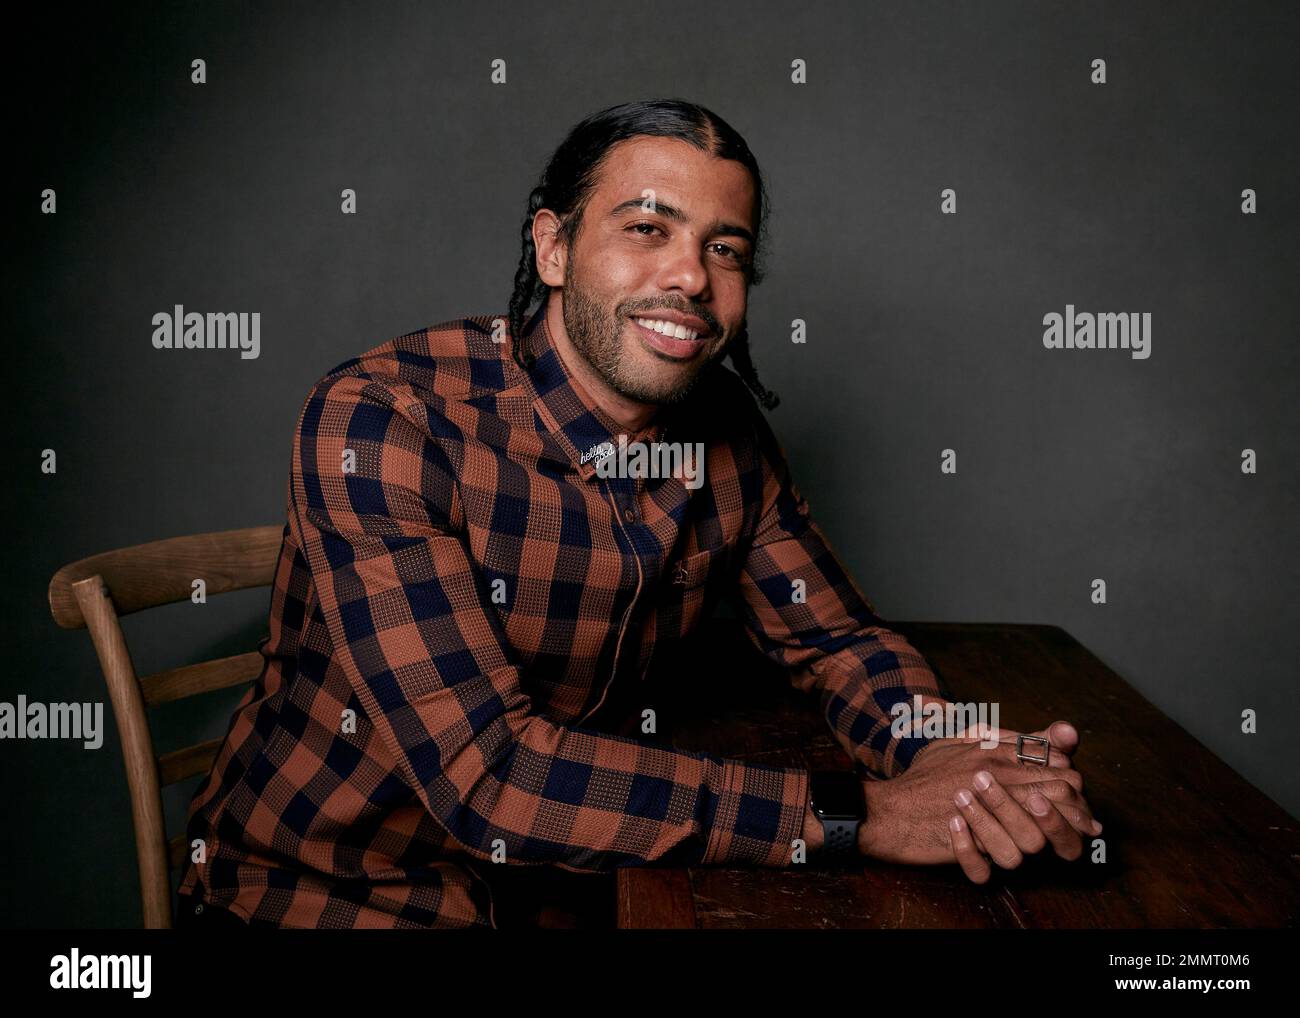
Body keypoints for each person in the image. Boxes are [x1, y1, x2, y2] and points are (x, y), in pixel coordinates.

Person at [175, 98, 1100, 929]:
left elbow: (836, 642)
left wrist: (962, 768)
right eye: (648, 228)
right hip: (322, 896)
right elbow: (492, 779)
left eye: (724, 249)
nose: (692, 278)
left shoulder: (724, 435)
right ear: (553, 247)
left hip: (574, 886)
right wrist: (865, 812)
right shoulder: (383, 420)